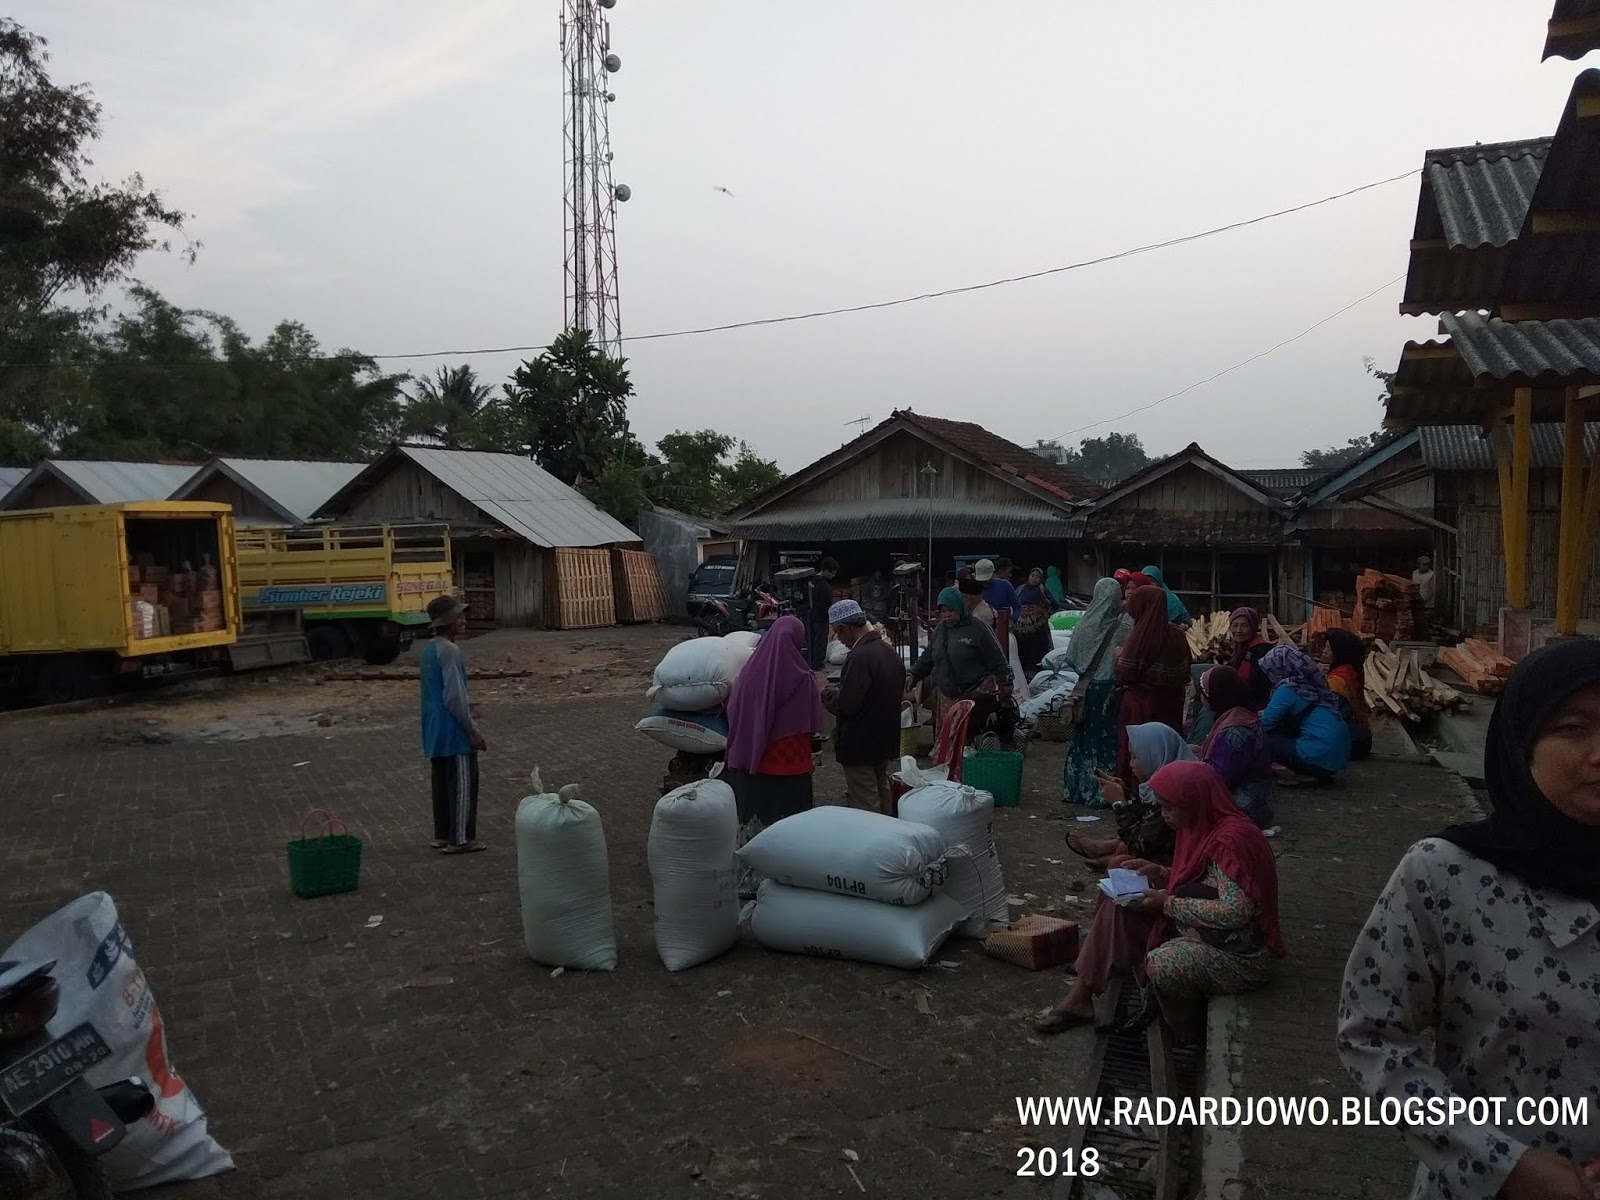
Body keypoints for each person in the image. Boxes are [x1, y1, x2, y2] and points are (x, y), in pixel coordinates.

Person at [1337, 640, 1600, 1200]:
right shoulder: (1448, 877)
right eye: (1573, 729)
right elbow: (1372, 1037)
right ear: (1520, 745)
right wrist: (1505, 1165)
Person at [1036, 761, 1284, 1038]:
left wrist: (1166, 902)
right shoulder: (1203, 828)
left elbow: (1236, 911)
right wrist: (1161, 874)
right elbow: (1204, 881)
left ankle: (1187, 1028)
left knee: (1163, 963)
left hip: (1239, 952)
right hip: (1208, 931)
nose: (1164, 815)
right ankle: (1081, 996)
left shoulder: (1231, 841)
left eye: (1169, 807)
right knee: (1120, 904)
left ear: (1193, 802)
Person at [725, 615, 825, 828]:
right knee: (792, 830)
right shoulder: (804, 679)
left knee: (755, 825)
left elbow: (734, 712)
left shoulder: (748, 676)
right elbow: (812, 726)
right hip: (794, 770)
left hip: (754, 765)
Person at [1067, 721, 1192, 866]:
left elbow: (1140, 845)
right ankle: (1107, 851)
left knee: (1120, 860)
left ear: (1154, 755)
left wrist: (1119, 804)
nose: (1130, 764)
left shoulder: (1173, 792)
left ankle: (1108, 854)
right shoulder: (1159, 784)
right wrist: (1126, 795)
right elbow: (1147, 822)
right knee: (1121, 853)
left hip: (1172, 859)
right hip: (1158, 849)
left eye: (1135, 757)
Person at [822, 600, 905, 814]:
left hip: (861, 743)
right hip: (883, 739)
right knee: (881, 790)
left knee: (866, 802)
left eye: (837, 634)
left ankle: (875, 843)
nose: (839, 639)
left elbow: (848, 704)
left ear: (845, 628)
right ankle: (889, 837)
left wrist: (828, 695)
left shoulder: (860, 657)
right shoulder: (887, 651)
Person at [420, 595, 487, 854]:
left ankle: (442, 834)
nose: (463, 621)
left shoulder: (429, 650)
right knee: (462, 783)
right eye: (458, 617)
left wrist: (469, 705)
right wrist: (473, 731)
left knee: (442, 783)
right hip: (452, 729)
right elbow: (453, 697)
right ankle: (460, 838)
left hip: (434, 727)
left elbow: (439, 691)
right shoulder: (450, 651)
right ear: (446, 622)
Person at [1061, 578, 1135, 807]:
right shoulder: (1124, 625)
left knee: (1083, 741)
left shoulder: (1086, 622)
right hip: (1111, 691)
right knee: (1106, 742)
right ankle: (1103, 792)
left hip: (1087, 689)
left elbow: (1075, 659)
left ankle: (1077, 789)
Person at [906, 586, 1013, 740]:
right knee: (949, 741)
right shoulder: (940, 630)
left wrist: (1006, 684)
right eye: (943, 611)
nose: (947, 615)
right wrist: (913, 674)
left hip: (974, 694)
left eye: (951, 610)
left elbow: (997, 658)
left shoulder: (978, 628)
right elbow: (928, 657)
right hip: (948, 696)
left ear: (960, 608)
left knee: (968, 741)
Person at [1114, 585, 1191, 788]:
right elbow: (1184, 671)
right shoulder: (1177, 634)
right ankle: (1168, 790)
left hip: (1140, 706)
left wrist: (1118, 657)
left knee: (1140, 752)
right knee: (1165, 749)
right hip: (1171, 704)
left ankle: (1137, 793)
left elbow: (1125, 673)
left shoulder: (1139, 636)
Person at [1196, 666, 1275, 829]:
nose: (1201, 696)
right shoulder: (1241, 716)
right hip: (1257, 803)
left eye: (1204, 692)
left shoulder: (1235, 729)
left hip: (1243, 809)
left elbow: (1218, 778)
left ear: (1218, 693)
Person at [1259, 645, 1351, 782]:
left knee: (1260, 737)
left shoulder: (1288, 689)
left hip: (1318, 757)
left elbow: (1264, 724)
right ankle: (1311, 771)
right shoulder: (1312, 684)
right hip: (1334, 761)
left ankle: (1259, 772)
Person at [1322, 629, 1372, 761]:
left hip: (1350, 743)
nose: (1324, 651)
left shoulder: (1337, 682)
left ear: (1339, 653)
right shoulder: (1351, 671)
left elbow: (1329, 718)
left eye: (1328, 648)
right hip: (1362, 739)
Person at [1227, 608, 1273, 710]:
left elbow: (1259, 687)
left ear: (1253, 627)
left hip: (1253, 706)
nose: (1238, 630)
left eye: (1244, 626)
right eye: (1235, 626)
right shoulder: (1239, 649)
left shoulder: (1262, 650)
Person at [1013, 567, 1055, 676]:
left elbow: (1053, 605)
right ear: (1028, 577)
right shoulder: (1020, 589)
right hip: (1022, 624)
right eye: (1032, 575)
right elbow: (1013, 602)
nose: (1034, 578)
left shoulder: (1043, 590)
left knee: (1037, 647)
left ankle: (1037, 669)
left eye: (1037, 576)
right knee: (1022, 645)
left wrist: (1040, 612)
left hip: (1037, 626)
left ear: (1041, 579)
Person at [805, 559, 838, 671]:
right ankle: (818, 664)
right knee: (821, 640)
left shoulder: (811, 581)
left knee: (811, 639)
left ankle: (810, 662)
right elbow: (827, 605)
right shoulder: (824, 586)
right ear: (826, 571)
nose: (833, 576)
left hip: (811, 615)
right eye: (832, 573)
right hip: (821, 617)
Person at [1141, 564, 1193, 629]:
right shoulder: (1138, 600)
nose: (1149, 584)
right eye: (1146, 581)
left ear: (1159, 582)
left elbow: (1187, 622)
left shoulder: (1172, 600)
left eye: (1152, 581)